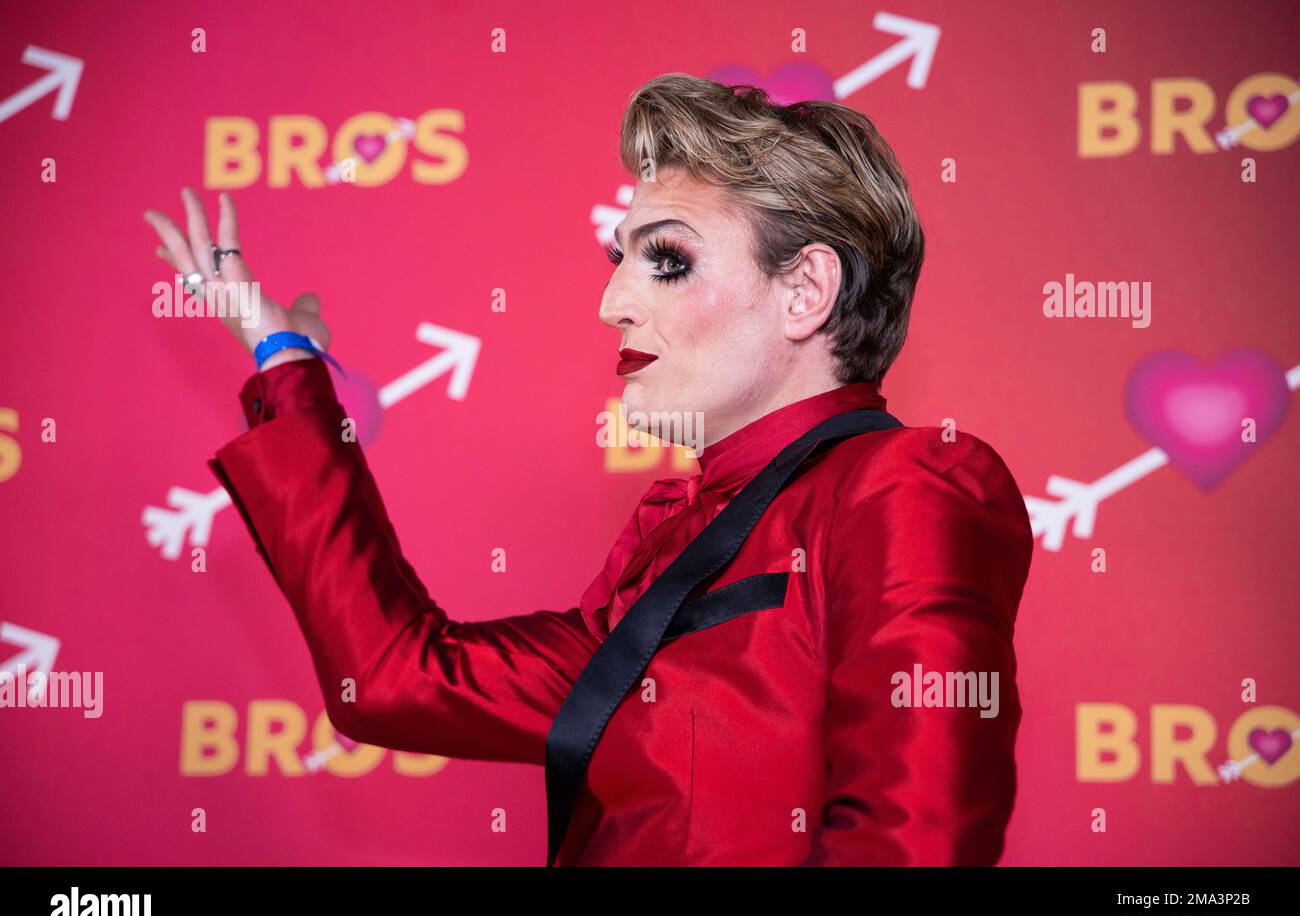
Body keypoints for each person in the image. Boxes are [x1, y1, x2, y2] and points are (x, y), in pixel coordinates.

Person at [143, 72, 1032, 866]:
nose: (612, 303)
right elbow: (390, 679)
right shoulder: (676, 545)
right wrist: (281, 354)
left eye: (669, 260)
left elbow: (918, 840)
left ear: (806, 291)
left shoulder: (905, 483)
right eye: (620, 259)